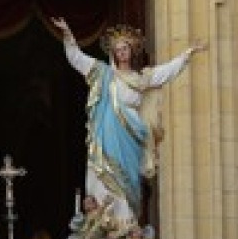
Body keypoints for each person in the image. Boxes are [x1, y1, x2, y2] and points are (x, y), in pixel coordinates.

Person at [51, 16, 206, 223]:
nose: (122, 52)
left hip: (131, 134)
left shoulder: (141, 78)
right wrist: (68, 34)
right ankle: (104, 221)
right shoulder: (103, 73)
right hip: (106, 134)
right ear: (113, 53)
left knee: (128, 180)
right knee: (104, 173)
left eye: (126, 48)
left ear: (132, 51)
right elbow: (77, 58)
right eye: (118, 49)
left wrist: (187, 54)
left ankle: (126, 223)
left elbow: (166, 72)